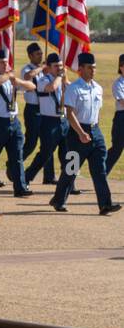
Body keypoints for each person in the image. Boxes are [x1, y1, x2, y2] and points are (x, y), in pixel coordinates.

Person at [51, 52, 121, 215]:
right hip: (77, 133)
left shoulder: (98, 88)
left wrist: (93, 131)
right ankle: (59, 199)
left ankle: (105, 204)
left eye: (94, 68)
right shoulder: (74, 88)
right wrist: (81, 133)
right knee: (71, 169)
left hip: (95, 132)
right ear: (80, 69)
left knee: (100, 170)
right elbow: (70, 113)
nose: (93, 71)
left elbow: (97, 111)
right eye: (90, 67)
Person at [0, 48, 35, 198]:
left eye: (6, 62)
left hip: (14, 122)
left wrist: (16, 80)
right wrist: (8, 76)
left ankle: (20, 187)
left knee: (17, 156)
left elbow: (32, 87)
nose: (5, 65)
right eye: (1, 63)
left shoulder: (11, 79)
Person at [26, 52, 67, 185]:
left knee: (70, 153)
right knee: (45, 154)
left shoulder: (61, 80)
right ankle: (26, 176)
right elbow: (51, 87)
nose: (59, 69)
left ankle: (70, 182)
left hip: (64, 120)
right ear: (48, 68)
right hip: (49, 122)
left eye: (61, 66)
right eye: (56, 66)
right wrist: (60, 76)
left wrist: (64, 79)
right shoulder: (43, 80)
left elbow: (72, 90)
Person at [107, 54, 124, 174]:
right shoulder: (118, 84)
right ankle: (102, 173)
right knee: (116, 149)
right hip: (121, 119)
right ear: (121, 67)